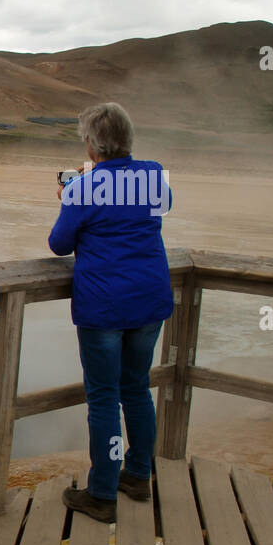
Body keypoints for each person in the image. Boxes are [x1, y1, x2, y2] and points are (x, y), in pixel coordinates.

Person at [49, 102, 173, 523]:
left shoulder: (83, 188)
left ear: (91, 144)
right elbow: (160, 206)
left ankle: (102, 493)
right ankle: (137, 474)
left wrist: (71, 197)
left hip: (104, 306)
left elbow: (59, 245)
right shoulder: (154, 175)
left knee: (103, 398)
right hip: (149, 301)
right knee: (136, 389)